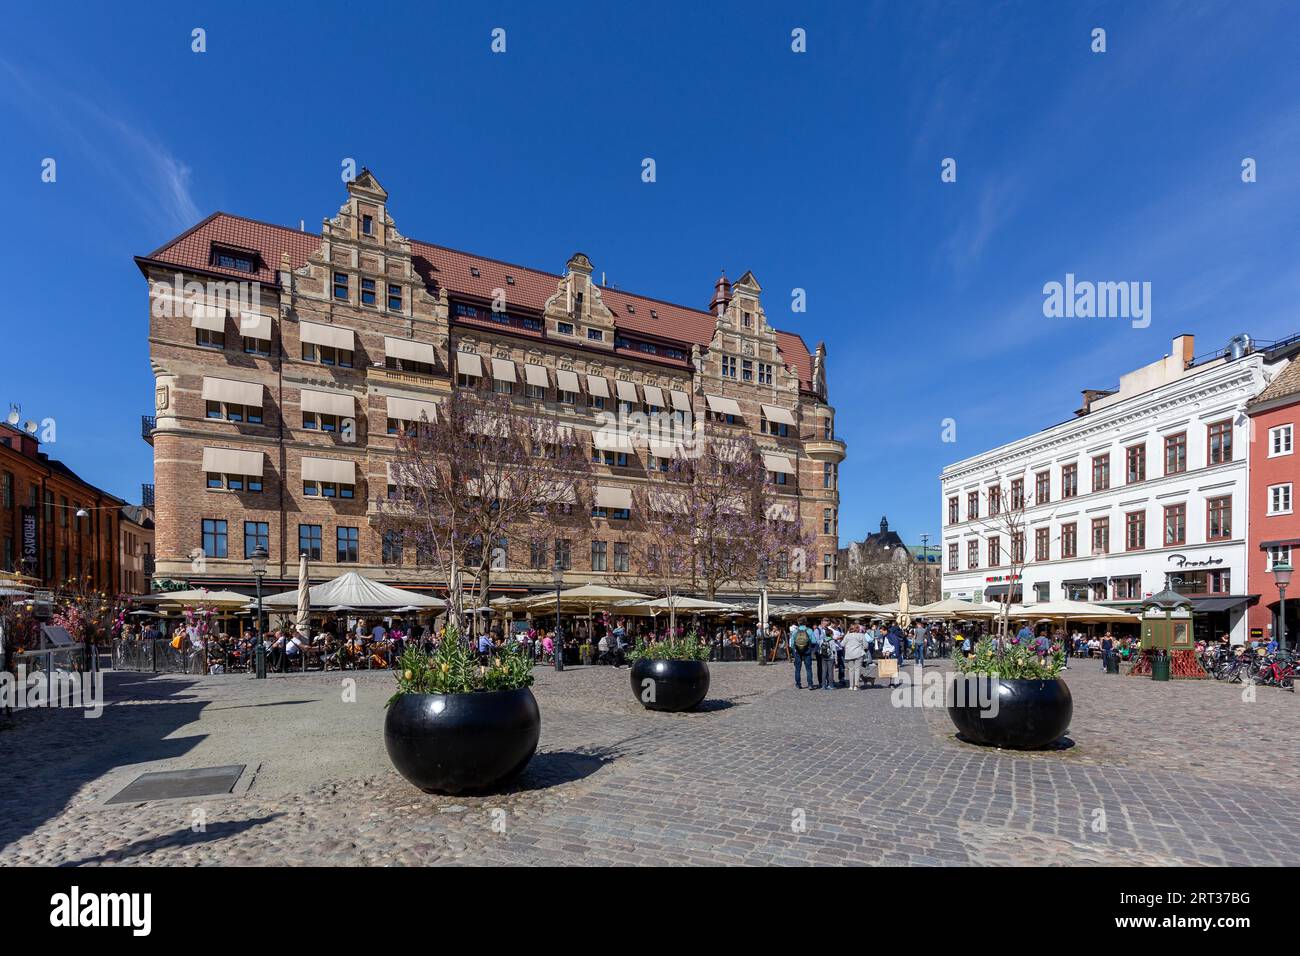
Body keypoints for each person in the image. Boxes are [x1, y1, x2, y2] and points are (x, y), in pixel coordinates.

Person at [789, 619, 816, 690]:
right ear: (806, 622)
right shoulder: (809, 630)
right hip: (807, 651)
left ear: (798, 622)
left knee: (797, 669)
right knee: (808, 669)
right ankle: (810, 684)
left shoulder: (795, 631)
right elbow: (814, 641)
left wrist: (795, 648)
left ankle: (798, 684)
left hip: (797, 651)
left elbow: (791, 643)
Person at [843, 624, 866, 690]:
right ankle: (856, 686)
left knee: (851, 670)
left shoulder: (847, 636)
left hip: (849, 654)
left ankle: (851, 686)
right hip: (858, 654)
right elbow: (866, 645)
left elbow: (842, 644)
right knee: (857, 669)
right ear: (858, 629)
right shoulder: (861, 635)